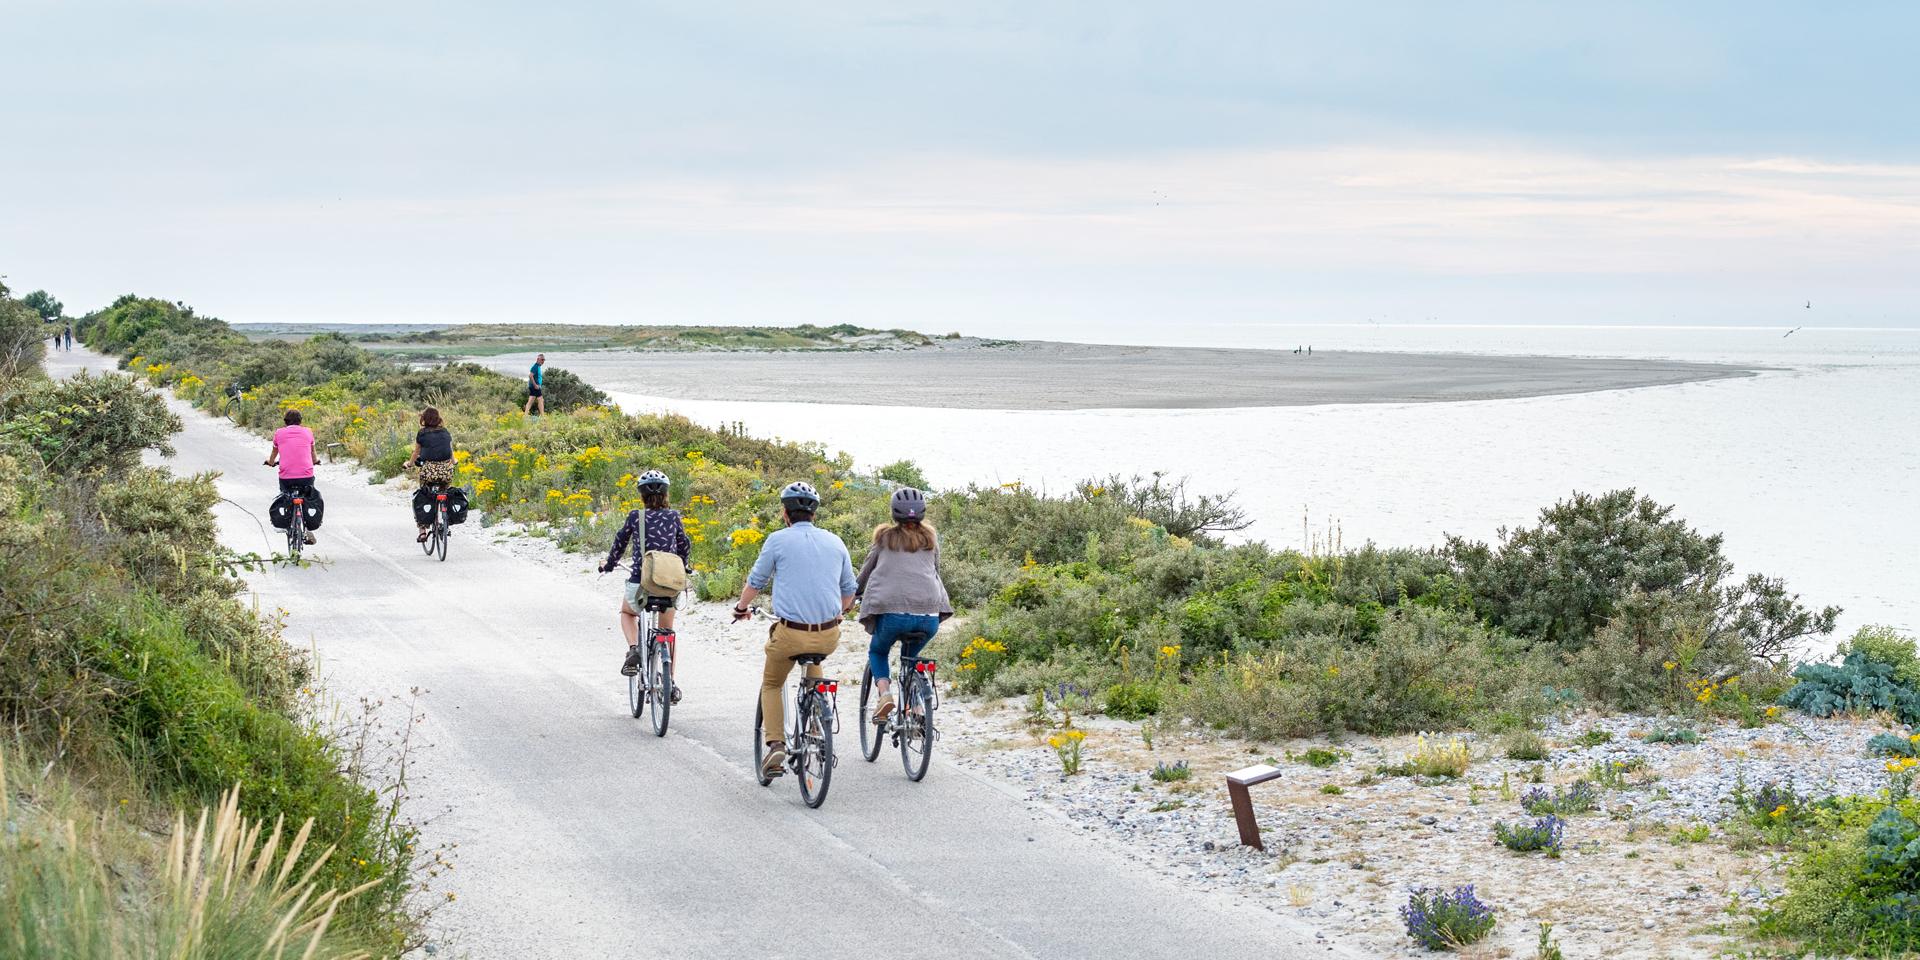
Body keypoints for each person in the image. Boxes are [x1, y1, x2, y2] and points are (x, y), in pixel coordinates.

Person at [731, 481, 856, 778]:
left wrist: (740, 607)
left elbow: (756, 581)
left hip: (790, 634)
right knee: (814, 658)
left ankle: (775, 744)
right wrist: (840, 613)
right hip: (828, 635)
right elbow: (850, 589)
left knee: (772, 684)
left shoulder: (777, 540)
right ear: (814, 514)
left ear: (785, 514)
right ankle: (815, 724)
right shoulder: (836, 541)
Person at [855, 488, 952, 721]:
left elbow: (866, 573)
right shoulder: (931, 539)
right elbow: (935, 573)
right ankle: (917, 709)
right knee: (910, 659)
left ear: (894, 514)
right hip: (929, 615)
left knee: (878, 651)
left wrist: (854, 595)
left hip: (892, 616)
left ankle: (885, 695)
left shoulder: (884, 538)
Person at [600, 470, 692, 698]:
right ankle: (670, 682)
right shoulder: (674, 517)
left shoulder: (635, 517)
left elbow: (619, 543)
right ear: (666, 494)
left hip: (640, 583)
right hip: (669, 584)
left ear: (641, 495)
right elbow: (684, 545)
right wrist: (685, 565)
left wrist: (609, 565)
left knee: (627, 612)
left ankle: (634, 649)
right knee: (667, 631)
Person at [264, 409, 319, 545]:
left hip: (286, 477)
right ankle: (306, 528)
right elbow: (313, 453)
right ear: (301, 421)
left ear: (285, 422)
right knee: (306, 496)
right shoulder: (308, 432)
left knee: (286, 495)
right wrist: (315, 461)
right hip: (306, 475)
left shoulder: (279, 433)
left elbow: (274, 453)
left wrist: (271, 463)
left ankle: (289, 523)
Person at [404, 407, 456, 542]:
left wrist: (409, 464)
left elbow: (416, 453)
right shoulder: (445, 432)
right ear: (438, 418)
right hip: (446, 472)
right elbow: (450, 451)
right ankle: (445, 521)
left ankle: (422, 530)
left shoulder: (422, 434)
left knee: (424, 495)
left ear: (424, 419)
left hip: (428, 472)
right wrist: (454, 462)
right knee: (445, 492)